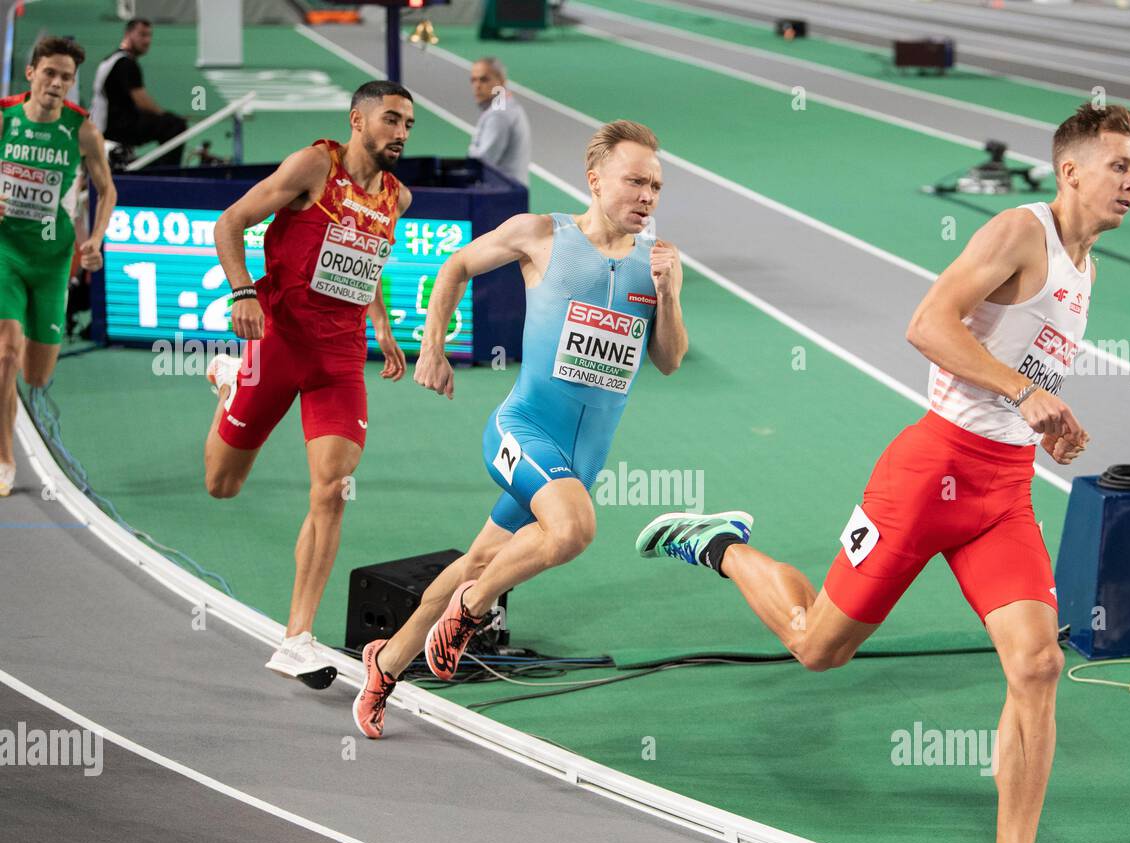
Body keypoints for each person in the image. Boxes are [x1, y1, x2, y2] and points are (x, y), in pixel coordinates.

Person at [635, 103, 1130, 843]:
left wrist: (1045, 420)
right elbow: (927, 324)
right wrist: (1024, 394)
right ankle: (719, 544)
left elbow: (1017, 371)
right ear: (1071, 172)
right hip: (929, 476)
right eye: (1120, 166)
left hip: (1004, 489)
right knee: (817, 645)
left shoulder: (1089, 267)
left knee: (1039, 660)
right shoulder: (1021, 233)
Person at [350, 119, 685, 740]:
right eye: (635, 181)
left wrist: (670, 296)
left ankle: (386, 662)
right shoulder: (541, 236)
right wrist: (432, 347)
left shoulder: (658, 263)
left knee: (479, 556)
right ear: (594, 180)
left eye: (657, 187)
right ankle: (470, 611)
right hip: (522, 430)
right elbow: (454, 266)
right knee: (576, 529)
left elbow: (667, 359)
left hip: (580, 459)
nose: (647, 196)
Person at [205, 81, 413, 687]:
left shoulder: (396, 198)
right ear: (357, 119)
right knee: (222, 485)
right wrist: (243, 291)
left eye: (408, 125)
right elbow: (230, 222)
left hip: (339, 360)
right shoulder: (312, 167)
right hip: (278, 343)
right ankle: (228, 384)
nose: (401, 133)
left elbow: (364, 264)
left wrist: (381, 324)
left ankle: (296, 637)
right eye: (391, 120)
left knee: (333, 487)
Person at [0, 36, 116, 498]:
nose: (56, 83)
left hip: (52, 260)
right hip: (5, 251)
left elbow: (107, 190)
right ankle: (4, 456)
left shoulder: (81, 130)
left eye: (65, 77)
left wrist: (96, 239)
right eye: (49, 73)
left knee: (35, 375)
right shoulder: (5, 117)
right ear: (31, 74)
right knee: (6, 352)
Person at [90, 18, 188, 167]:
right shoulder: (126, 63)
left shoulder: (110, 59)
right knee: (174, 125)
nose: (147, 40)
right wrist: (164, 115)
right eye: (142, 35)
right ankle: (164, 171)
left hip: (103, 125)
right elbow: (141, 101)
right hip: (116, 129)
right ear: (128, 34)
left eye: (149, 36)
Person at [466, 57, 531, 186]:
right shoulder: (508, 105)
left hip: (503, 195)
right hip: (511, 191)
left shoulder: (499, 114)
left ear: (501, 81)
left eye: (484, 79)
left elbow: (483, 162)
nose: (477, 86)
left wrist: (472, 150)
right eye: (473, 80)